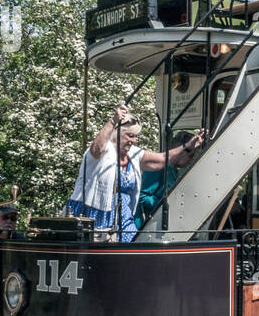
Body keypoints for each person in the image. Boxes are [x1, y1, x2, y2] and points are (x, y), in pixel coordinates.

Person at [67, 104, 205, 242]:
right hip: (95, 214)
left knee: (132, 247)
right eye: (130, 135)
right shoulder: (103, 152)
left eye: (136, 137)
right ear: (118, 133)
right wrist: (113, 121)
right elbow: (97, 148)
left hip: (124, 216)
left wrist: (188, 147)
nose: (134, 140)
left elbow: (162, 159)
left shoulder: (134, 154)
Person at [134, 131, 201, 229]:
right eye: (191, 156)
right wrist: (163, 205)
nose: (191, 160)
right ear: (180, 151)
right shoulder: (158, 167)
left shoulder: (174, 170)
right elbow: (141, 195)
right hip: (149, 225)